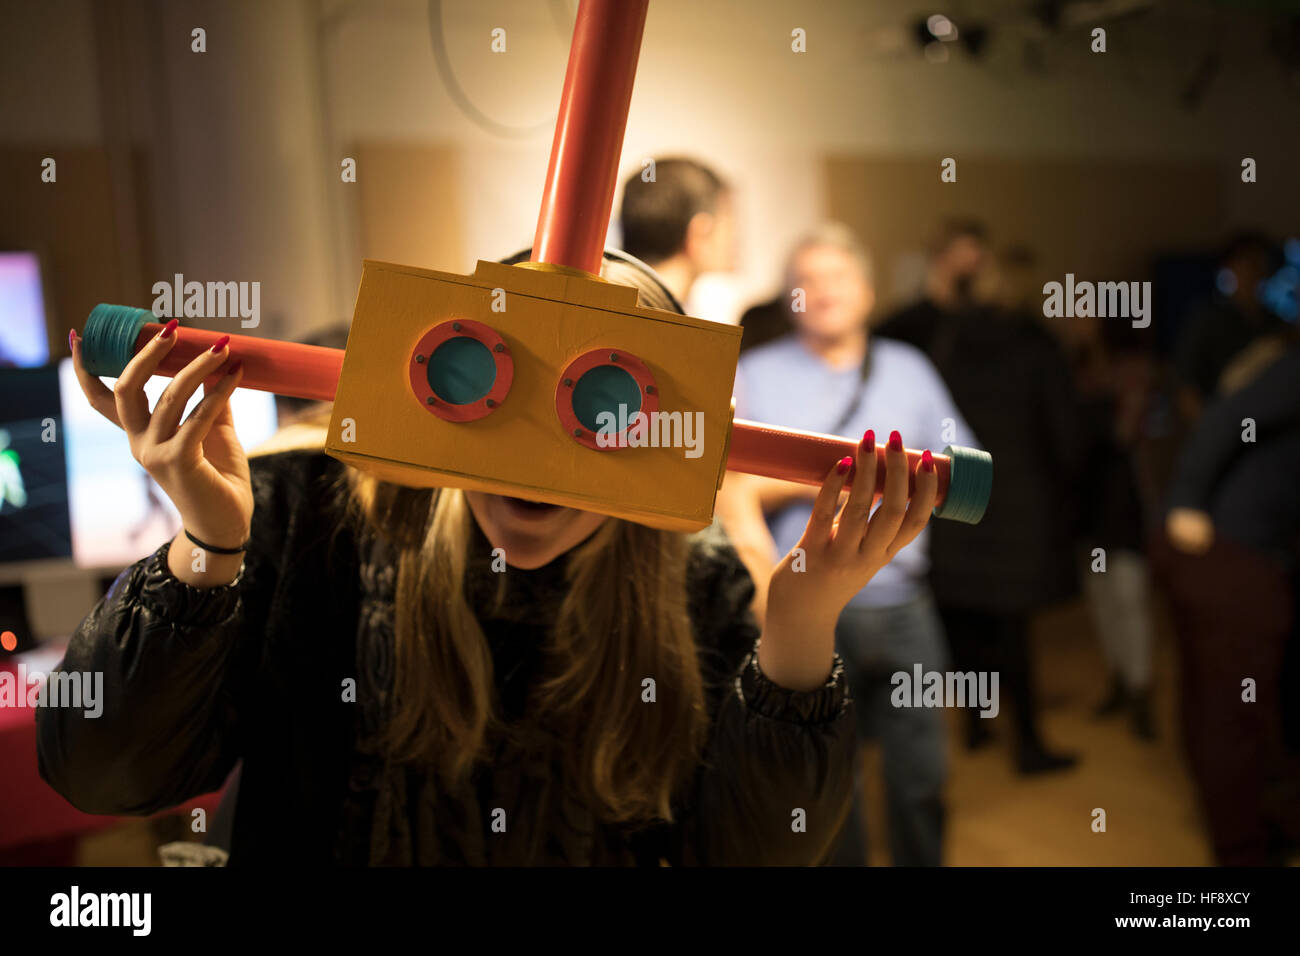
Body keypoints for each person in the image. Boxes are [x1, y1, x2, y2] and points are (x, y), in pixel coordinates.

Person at [40, 253, 945, 867]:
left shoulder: (692, 577)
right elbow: (106, 772)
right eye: (485, 382)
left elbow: (754, 851)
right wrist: (207, 546)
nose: (542, 461)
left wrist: (799, 630)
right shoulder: (309, 520)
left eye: (604, 410)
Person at [716, 223, 976, 867]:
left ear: (866, 288)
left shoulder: (909, 367)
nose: (824, 292)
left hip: (904, 602)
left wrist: (907, 481)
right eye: (806, 281)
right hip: (809, 612)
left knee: (921, 773)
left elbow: (960, 472)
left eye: (838, 277)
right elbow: (727, 487)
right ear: (789, 298)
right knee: (830, 785)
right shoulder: (752, 373)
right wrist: (828, 478)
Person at [878, 225, 1082, 775]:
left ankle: (976, 725)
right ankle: (1028, 742)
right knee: (1008, 626)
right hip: (1014, 501)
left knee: (961, 615)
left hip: (950, 497)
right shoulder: (1028, 337)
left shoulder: (917, 337)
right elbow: (1066, 432)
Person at [1154, 344, 1300, 865]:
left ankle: (1257, 827)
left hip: (1240, 556)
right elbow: (1231, 414)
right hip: (1229, 555)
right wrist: (1186, 501)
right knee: (1232, 711)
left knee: (1225, 704)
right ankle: (1242, 851)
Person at [1173, 232, 1288, 424]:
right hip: (1224, 427)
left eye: (1262, 264)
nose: (1257, 273)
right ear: (1230, 268)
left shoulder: (1277, 326)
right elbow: (1186, 390)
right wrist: (1213, 433)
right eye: (1250, 264)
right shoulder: (1206, 319)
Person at [618, 158, 737, 307]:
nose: (735, 238)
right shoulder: (669, 322)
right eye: (728, 218)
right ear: (699, 234)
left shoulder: (607, 303)